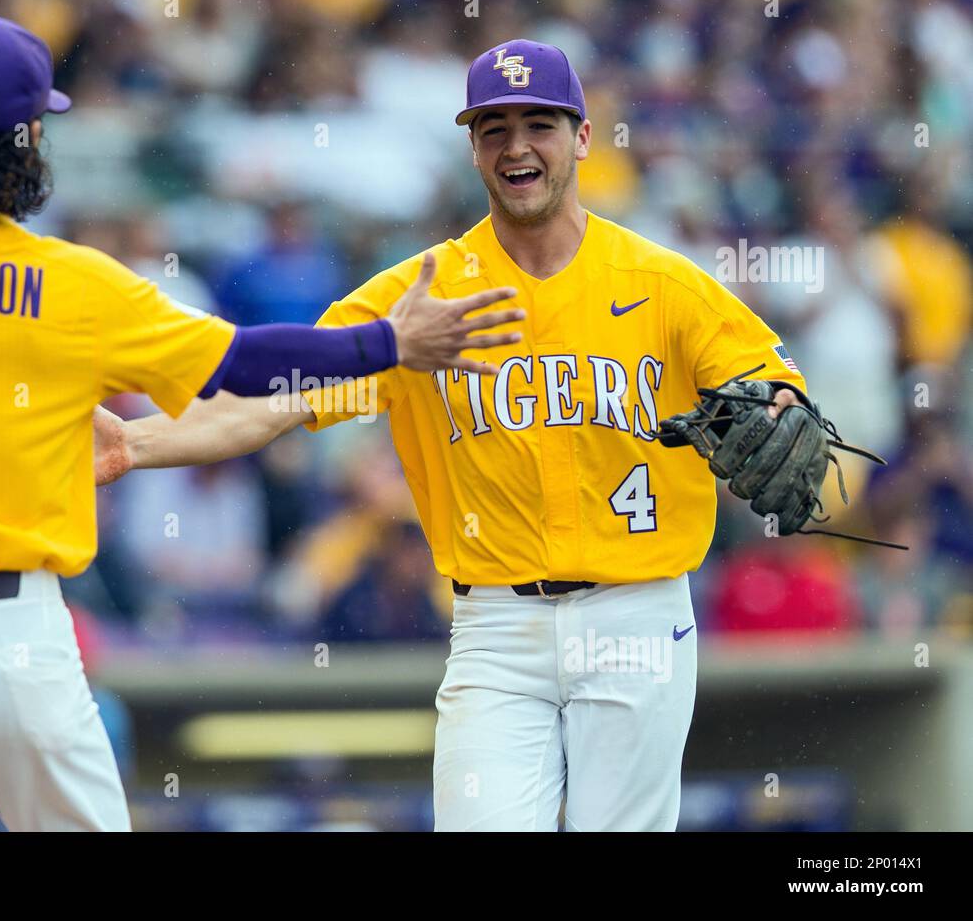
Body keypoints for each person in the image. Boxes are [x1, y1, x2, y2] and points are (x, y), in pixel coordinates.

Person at [0, 15, 523, 831]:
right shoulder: (74, 283)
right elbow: (243, 362)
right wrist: (386, 342)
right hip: (27, 645)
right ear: (24, 148)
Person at [94, 40, 812, 831]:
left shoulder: (665, 285)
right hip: (496, 626)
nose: (517, 146)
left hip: (637, 615)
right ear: (473, 149)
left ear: (581, 137)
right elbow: (280, 399)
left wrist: (781, 404)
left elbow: (776, 390)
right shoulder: (422, 298)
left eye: (539, 123)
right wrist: (140, 443)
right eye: (493, 128)